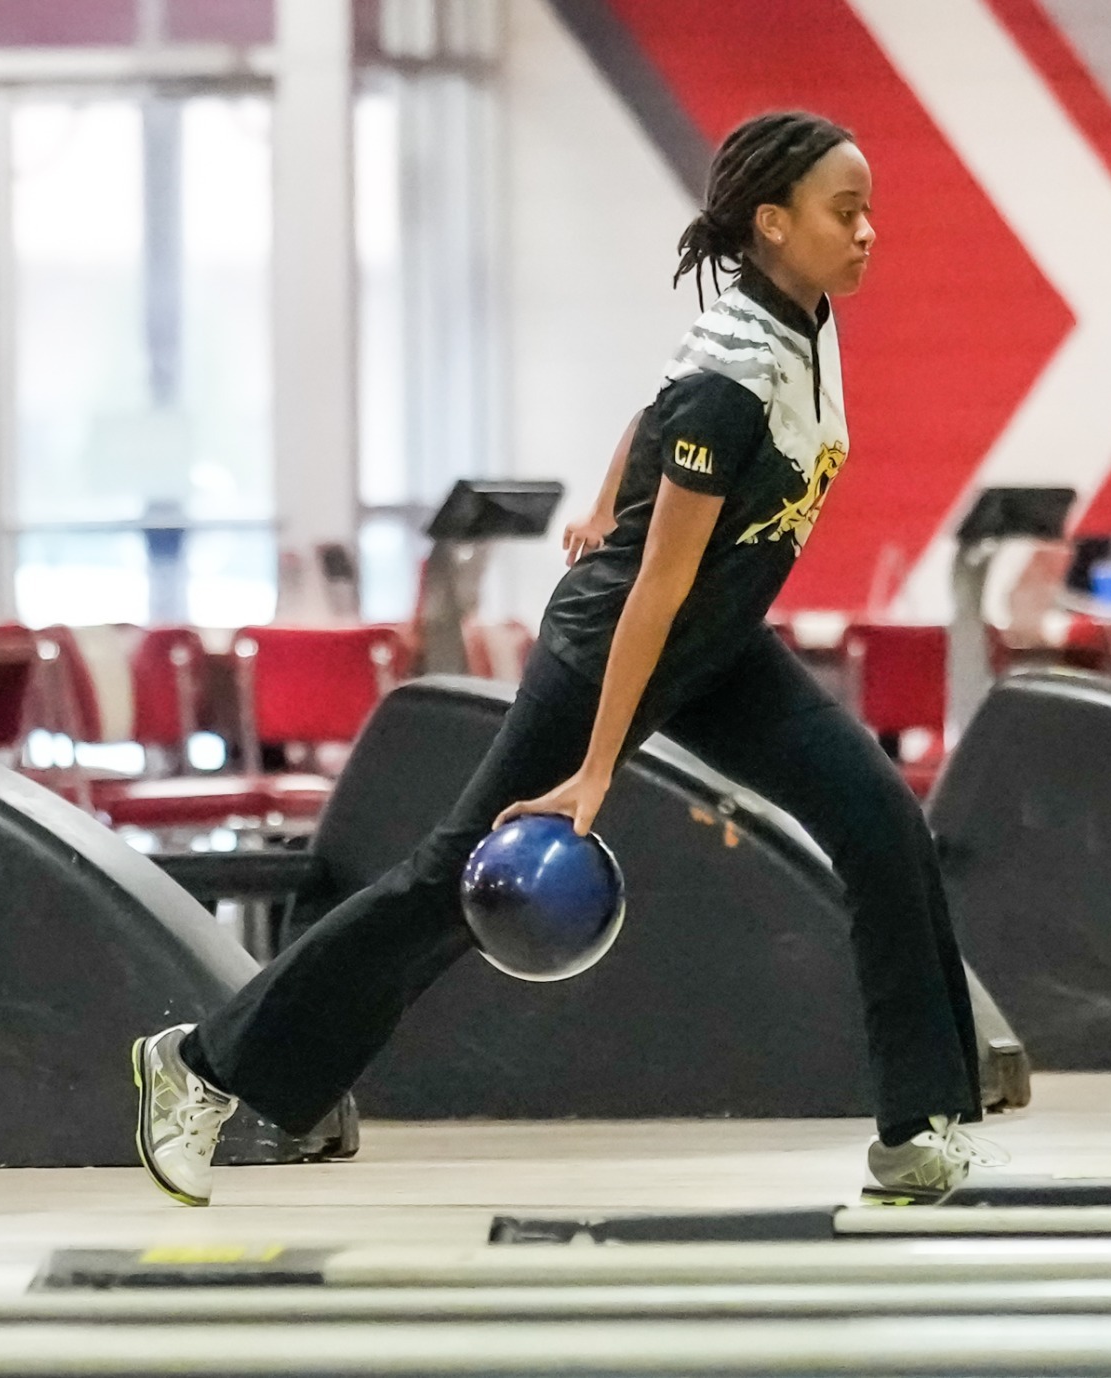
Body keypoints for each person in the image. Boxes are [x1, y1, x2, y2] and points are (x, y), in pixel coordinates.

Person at [131, 110, 1005, 1207]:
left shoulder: (800, 319)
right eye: (845, 212)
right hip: (615, 647)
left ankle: (917, 1128)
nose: (869, 230)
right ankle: (201, 1068)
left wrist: (605, 499)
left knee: (878, 819)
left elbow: (651, 417)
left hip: (715, 642)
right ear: (773, 224)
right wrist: (594, 771)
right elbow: (656, 583)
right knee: (448, 884)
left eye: (868, 209)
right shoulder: (730, 375)